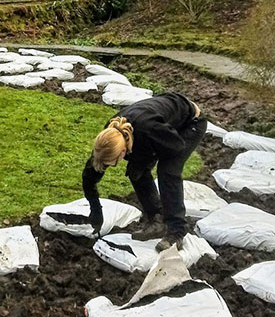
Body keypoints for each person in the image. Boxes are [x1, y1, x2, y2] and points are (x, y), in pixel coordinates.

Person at [82, 92, 205, 251]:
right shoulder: (109, 137)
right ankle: (156, 219)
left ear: (123, 152)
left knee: (168, 171)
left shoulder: (149, 130)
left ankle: (177, 231)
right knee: (136, 170)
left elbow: (176, 147)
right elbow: (90, 175)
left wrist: (149, 156)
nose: (110, 166)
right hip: (158, 128)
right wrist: (95, 209)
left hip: (189, 123)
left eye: (113, 163)